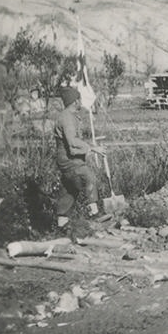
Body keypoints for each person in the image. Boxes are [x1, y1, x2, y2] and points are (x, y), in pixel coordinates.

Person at [53, 86, 106, 229]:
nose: (81, 101)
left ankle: (61, 223)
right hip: (70, 161)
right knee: (89, 178)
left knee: (70, 189)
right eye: (79, 99)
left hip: (68, 159)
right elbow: (72, 142)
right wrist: (92, 148)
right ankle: (94, 214)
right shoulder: (67, 118)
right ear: (75, 101)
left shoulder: (68, 116)